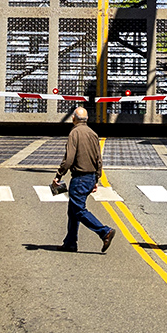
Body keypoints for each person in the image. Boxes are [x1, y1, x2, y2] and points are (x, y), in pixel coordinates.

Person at [52, 107, 116, 253]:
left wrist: (58, 175)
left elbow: (69, 159)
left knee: (79, 210)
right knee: (73, 211)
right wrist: (96, 178)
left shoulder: (74, 133)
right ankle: (70, 243)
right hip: (90, 177)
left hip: (79, 178)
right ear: (86, 119)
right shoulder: (93, 134)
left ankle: (104, 231)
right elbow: (98, 158)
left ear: (73, 118)